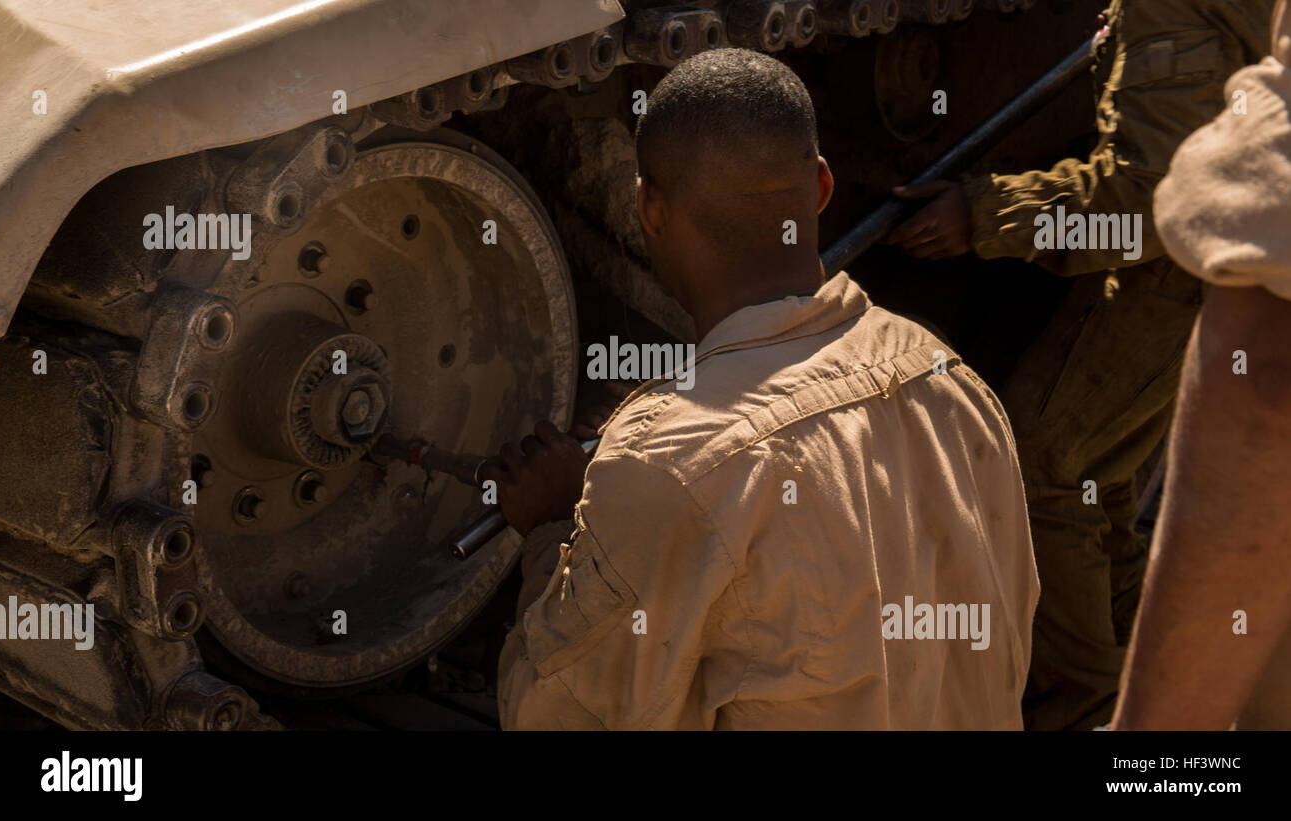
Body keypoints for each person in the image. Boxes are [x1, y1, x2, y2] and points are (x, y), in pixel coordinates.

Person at [484, 48, 1038, 730]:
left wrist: (553, 531)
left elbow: (554, 715)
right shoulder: (953, 382)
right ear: (822, 187)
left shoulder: (663, 467)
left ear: (647, 208)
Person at [885, 0, 1275, 729]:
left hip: (1175, 274)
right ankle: (1134, 677)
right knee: (1102, 472)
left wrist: (987, 214)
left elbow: (1145, 200)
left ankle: (1085, 709)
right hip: (1218, 267)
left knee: (1044, 459)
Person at [1112, 0, 1291, 730]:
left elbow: (1271, 370)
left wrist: (1155, 761)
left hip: (1157, 277)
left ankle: (1071, 695)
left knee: (1048, 464)